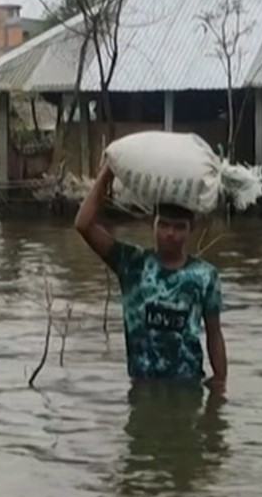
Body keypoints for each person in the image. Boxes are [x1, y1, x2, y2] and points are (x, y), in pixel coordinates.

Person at [74, 159, 228, 391]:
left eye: (178, 227)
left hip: (187, 388)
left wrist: (220, 383)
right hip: (142, 386)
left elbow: (214, 333)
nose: (170, 234)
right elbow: (83, 225)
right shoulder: (132, 263)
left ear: (191, 229)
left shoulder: (205, 275)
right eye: (164, 225)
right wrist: (107, 172)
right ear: (152, 225)